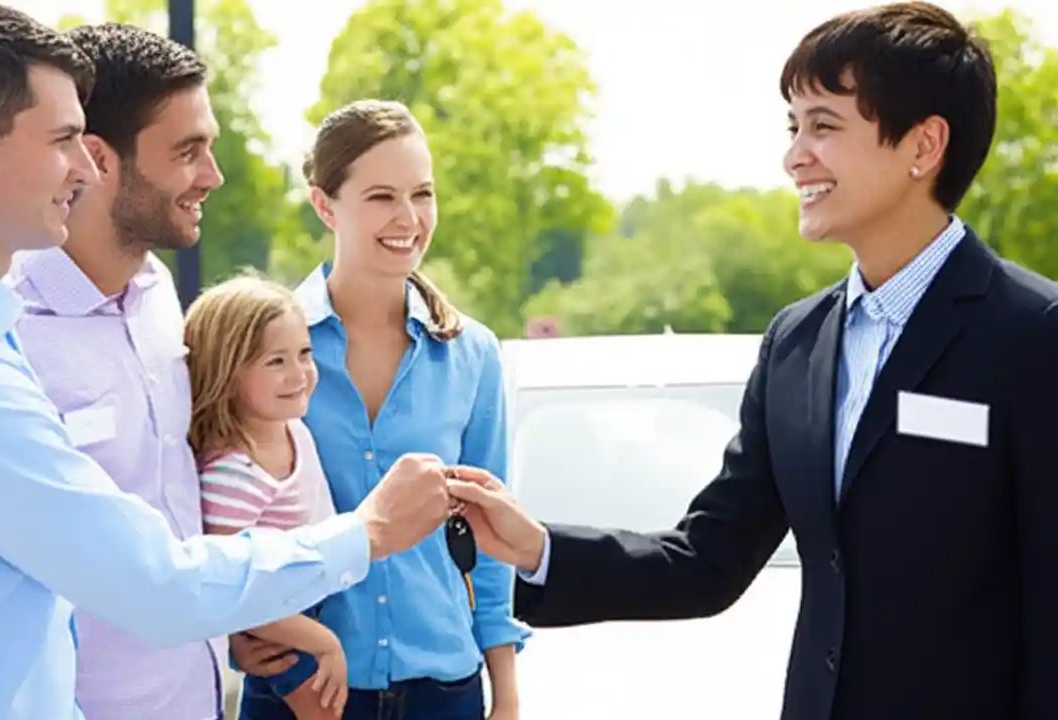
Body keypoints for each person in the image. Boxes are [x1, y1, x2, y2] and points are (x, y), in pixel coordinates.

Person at [0, 4, 454, 719]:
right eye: (62, 140)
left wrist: (240, 625)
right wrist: (371, 530)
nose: (84, 168)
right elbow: (152, 583)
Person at [446, 3, 1058, 720]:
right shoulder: (796, 344)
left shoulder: (1033, 334)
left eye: (824, 125)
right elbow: (708, 560)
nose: (795, 155)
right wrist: (537, 548)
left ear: (923, 145)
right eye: (793, 127)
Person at [233, 99, 529, 720]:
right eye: (380, 197)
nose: (409, 218)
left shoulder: (471, 355)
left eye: (422, 194)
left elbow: (492, 540)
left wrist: (506, 696)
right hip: (300, 688)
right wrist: (239, 634)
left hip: (442, 691)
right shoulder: (259, 346)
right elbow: (222, 516)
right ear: (324, 204)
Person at [4, 22, 226, 720]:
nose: (212, 176)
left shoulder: (161, 296)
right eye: (189, 152)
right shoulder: (4, 332)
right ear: (98, 159)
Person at [189, 275, 349, 719]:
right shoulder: (233, 474)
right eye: (275, 361)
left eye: (304, 354)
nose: (299, 374)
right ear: (227, 369)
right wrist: (324, 643)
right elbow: (231, 591)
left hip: (311, 612)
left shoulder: (294, 430)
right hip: (281, 640)